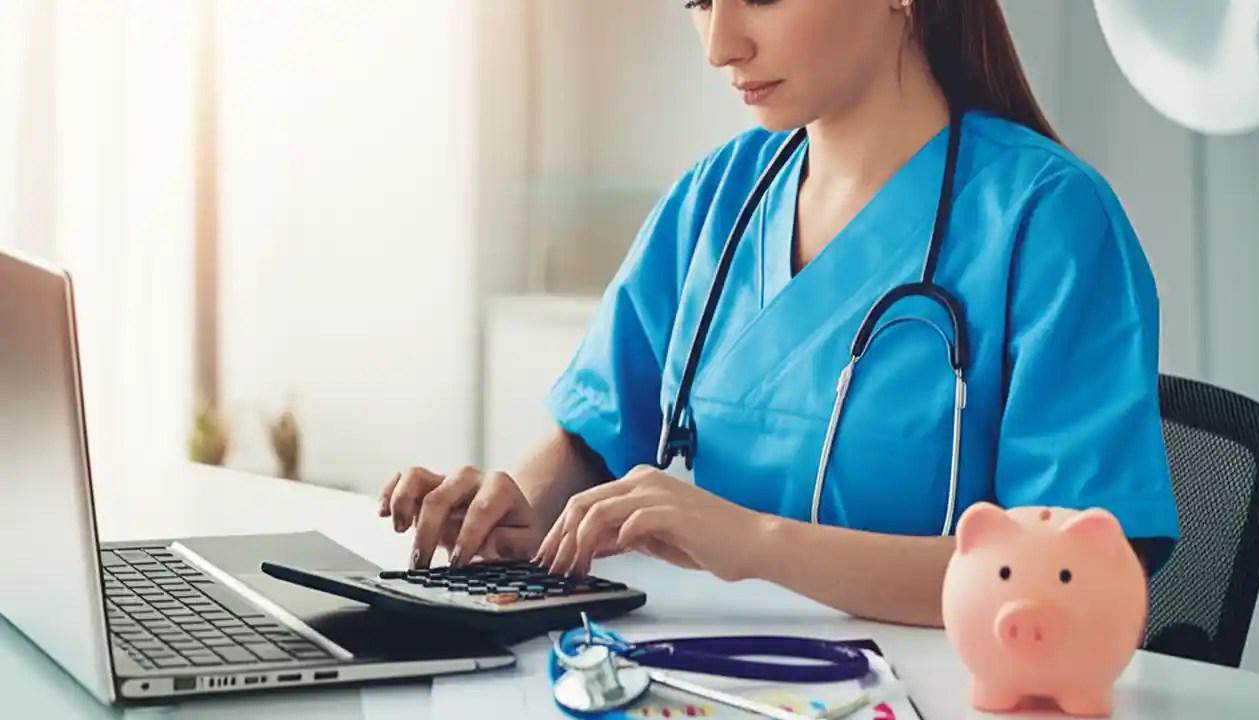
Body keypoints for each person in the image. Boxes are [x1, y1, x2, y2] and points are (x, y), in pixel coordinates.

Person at [378, 0, 1179, 628]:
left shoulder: (1050, 222)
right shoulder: (717, 198)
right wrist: (515, 508)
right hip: (706, 673)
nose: (720, 44)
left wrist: (754, 543)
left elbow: (1075, 577)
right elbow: (593, 435)